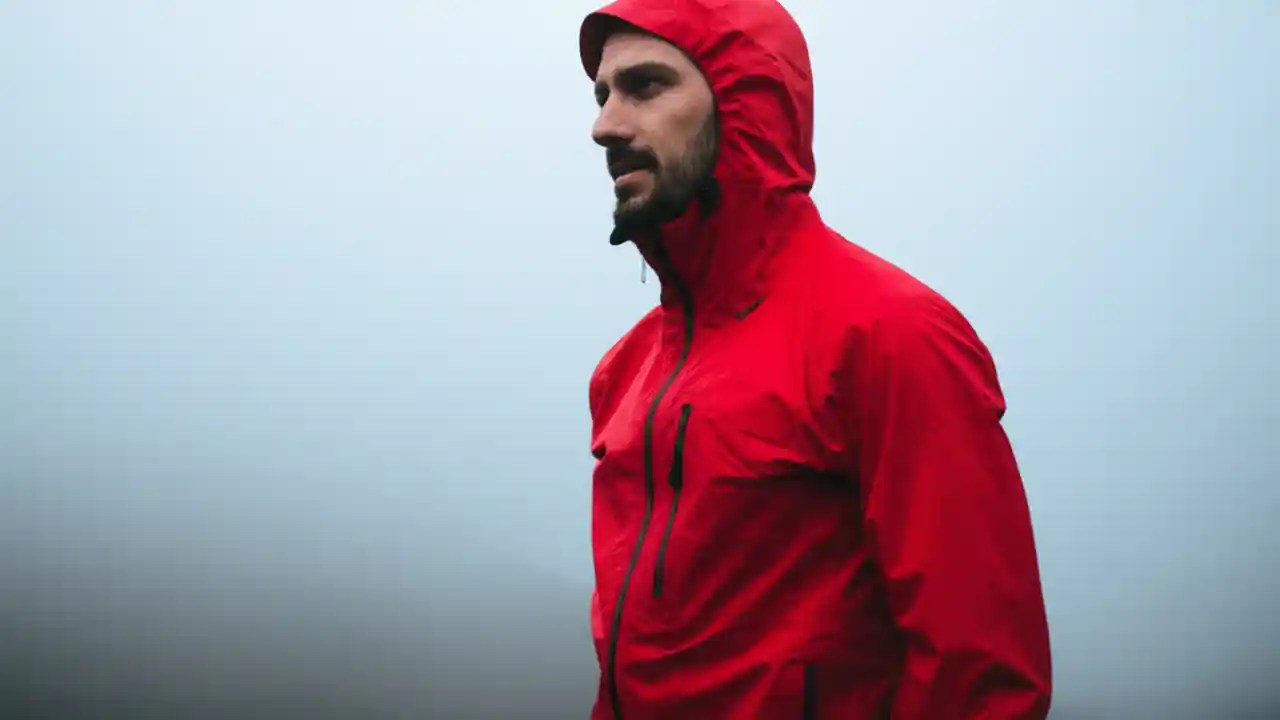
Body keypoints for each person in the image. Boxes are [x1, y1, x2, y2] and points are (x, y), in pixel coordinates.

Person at [579, 0, 1053, 717]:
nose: (605, 126)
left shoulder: (891, 333)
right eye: (602, 95)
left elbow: (981, 680)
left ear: (745, 106)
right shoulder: (625, 370)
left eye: (646, 87)